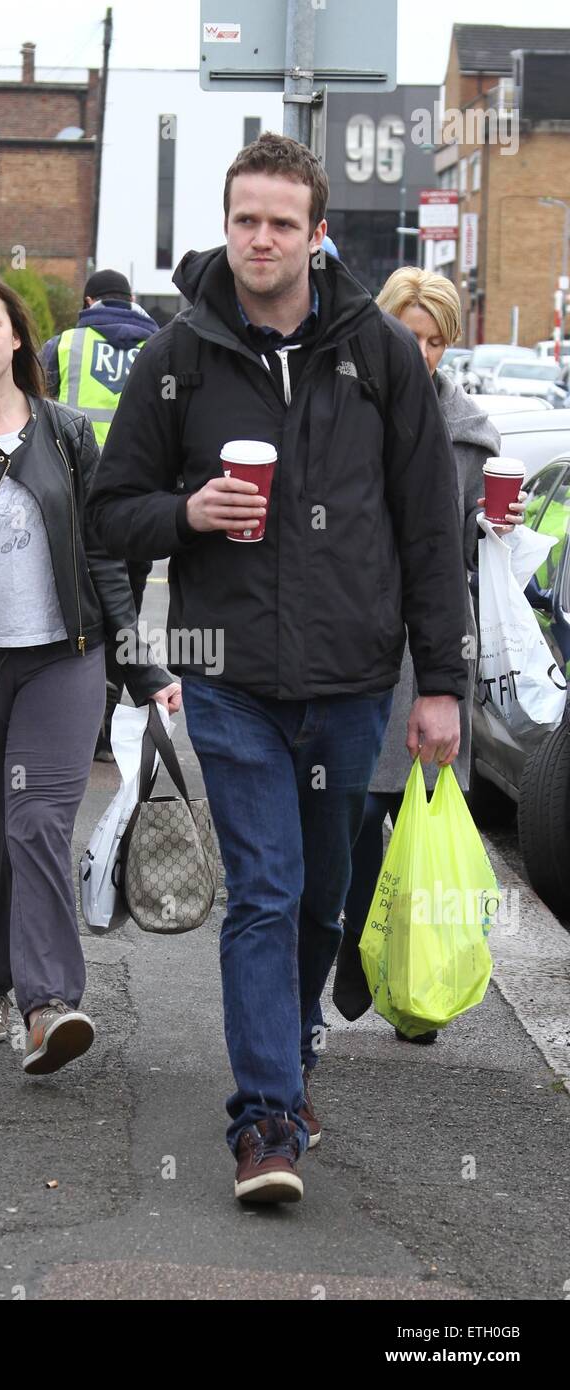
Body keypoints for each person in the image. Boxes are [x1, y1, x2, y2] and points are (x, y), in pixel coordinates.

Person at [88, 132, 470, 1205]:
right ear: (226, 226)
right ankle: (262, 1121)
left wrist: (437, 681)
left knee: (319, 897)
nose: (260, 239)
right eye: (244, 219)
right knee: (262, 891)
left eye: (280, 223)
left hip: (350, 678)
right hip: (229, 674)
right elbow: (111, 512)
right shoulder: (178, 359)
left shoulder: (377, 353)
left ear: (315, 235)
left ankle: (291, 1058)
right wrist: (187, 512)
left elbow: (426, 530)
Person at [0, 272, 179, 1077]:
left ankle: (48, 1005)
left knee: (37, 823)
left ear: (17, 335)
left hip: (62, 659)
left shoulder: (67, 434)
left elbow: (104, 560)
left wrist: (144, 664)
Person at [333, 266, 525, 1037]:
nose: (420, 352)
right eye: (407, 335)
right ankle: (355, 949)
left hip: (437, 656)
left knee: (426, 825)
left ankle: (413, 984)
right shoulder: (344, 413)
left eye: (436, 340)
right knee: (355, 822)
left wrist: (501, 536)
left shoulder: (471, 434)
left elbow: (474, 551)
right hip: (359, 647)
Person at [43, 269, 161, 760]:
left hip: (74, 499)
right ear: (130, 300)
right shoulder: (158, 345)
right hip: (139, 504)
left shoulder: (62, 346)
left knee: (81, 609)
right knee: (124, 610)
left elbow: (33, 409)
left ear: (89, 300)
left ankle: (80, 723)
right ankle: (106, 725)